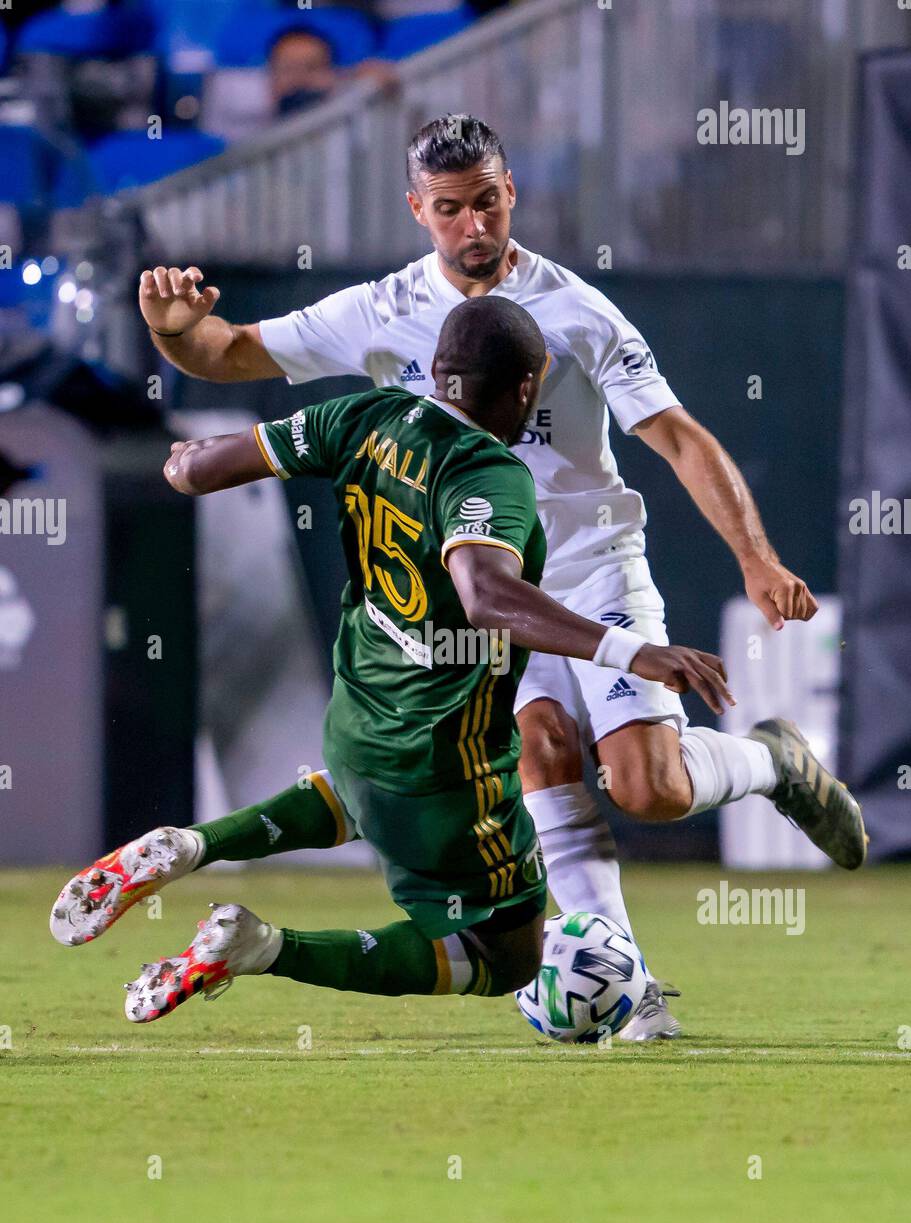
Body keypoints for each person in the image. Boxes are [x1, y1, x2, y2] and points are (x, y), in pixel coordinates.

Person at [129, 114, 867, 1038]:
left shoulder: (577, 309)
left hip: (591, 566)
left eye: (487, 202)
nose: (473, 226)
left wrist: (755, 557)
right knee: (544, 756)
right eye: (449, 209)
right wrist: (172, 331)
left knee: (647, 788)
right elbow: (226, 351)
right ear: (417, 210)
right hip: (476, 590)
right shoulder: (379, 309)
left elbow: (675, 433)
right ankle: (627, 987)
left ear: (510, 192)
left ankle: (770, 762)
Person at [50, 297, 733, 1026]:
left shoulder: (363, 417)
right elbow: (486, 595)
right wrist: (634, 649)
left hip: (357, 717)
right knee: (509, 954)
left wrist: (182, 459)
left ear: (435, 371)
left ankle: (192, 843)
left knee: (360, 796)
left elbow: (196, 470)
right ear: (527, 388)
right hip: (447, 760)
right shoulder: (489, 473)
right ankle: (260, 946)